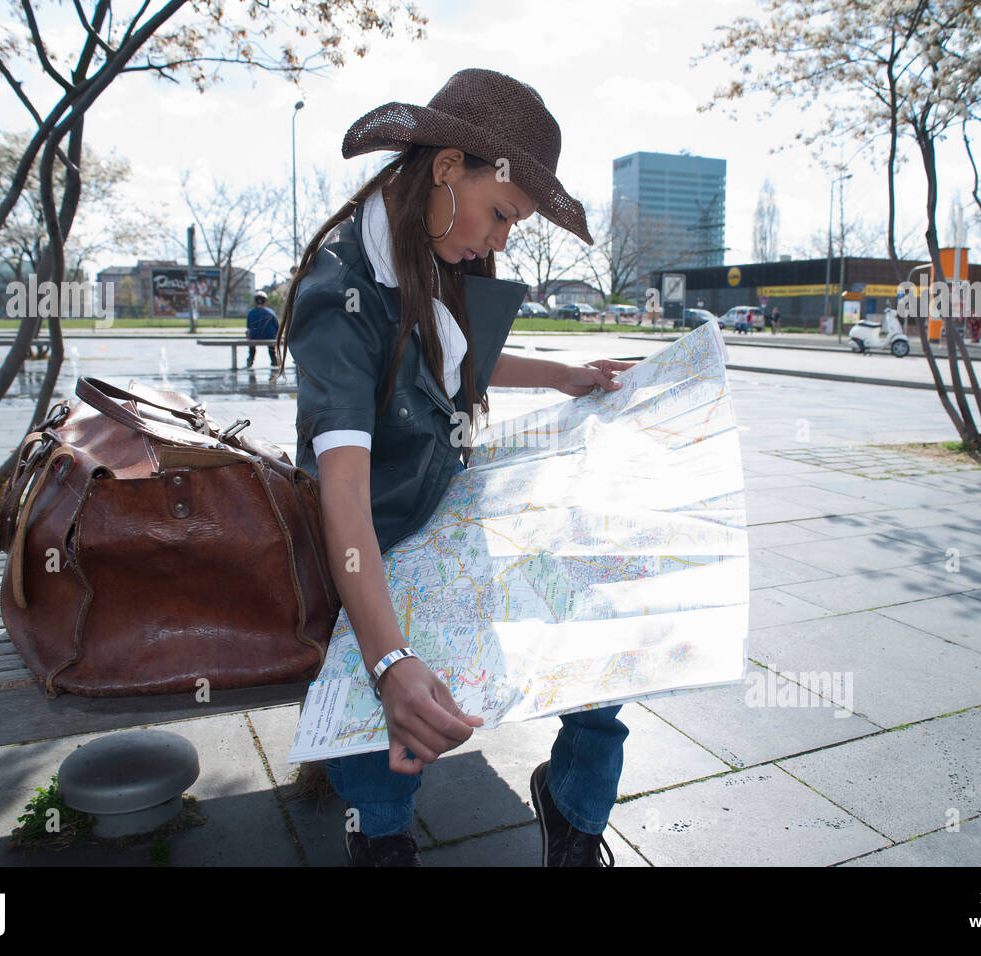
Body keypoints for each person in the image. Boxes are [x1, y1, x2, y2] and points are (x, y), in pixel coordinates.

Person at [278, 69, 635, 867]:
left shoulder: (446, 248)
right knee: (387, 656)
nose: (502, 240)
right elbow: (343, 493)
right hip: (376, 529)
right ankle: (380, 831)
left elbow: (465, 355)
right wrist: (391, 661)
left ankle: (573, 806)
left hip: (452, 497)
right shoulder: (340, 293)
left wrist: (566, 377)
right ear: (446, 168)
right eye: (504, 215)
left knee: (607, 592)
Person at [245, 292, 279, 368]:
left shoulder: (250, 312)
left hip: (254, 337)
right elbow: (277, 326)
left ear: (255, 301)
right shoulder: (270, 312)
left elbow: (248, 327)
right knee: (271, 345)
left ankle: (251, 358)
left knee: (251, 339)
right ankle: (273, 359)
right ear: (265, 301)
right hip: (269, 337)